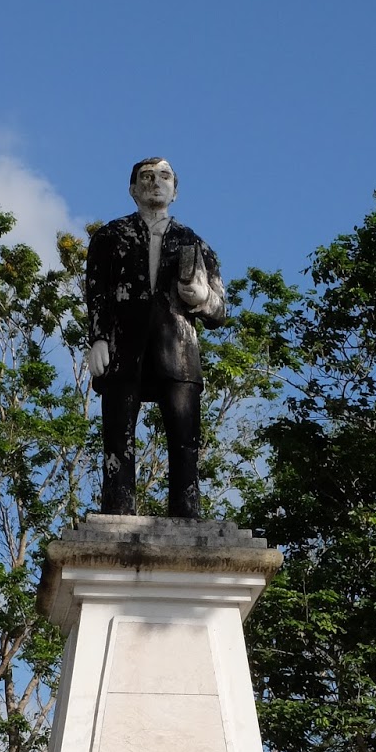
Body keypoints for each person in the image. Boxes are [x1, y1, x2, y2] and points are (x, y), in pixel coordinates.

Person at [85, 156, 226, 518]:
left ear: (175, 191)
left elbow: (219, 309)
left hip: (178, 348)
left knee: (185, 440)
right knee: (117, 438)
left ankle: (187, 512)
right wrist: (98, 338)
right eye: (146, 177)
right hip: (121, 346)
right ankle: (117, 510)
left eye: (163, 176)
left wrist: (202, 299)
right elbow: (97, 291)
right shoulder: (110, 237)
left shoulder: (193, 242)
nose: (154, 182)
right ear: (132, 189)